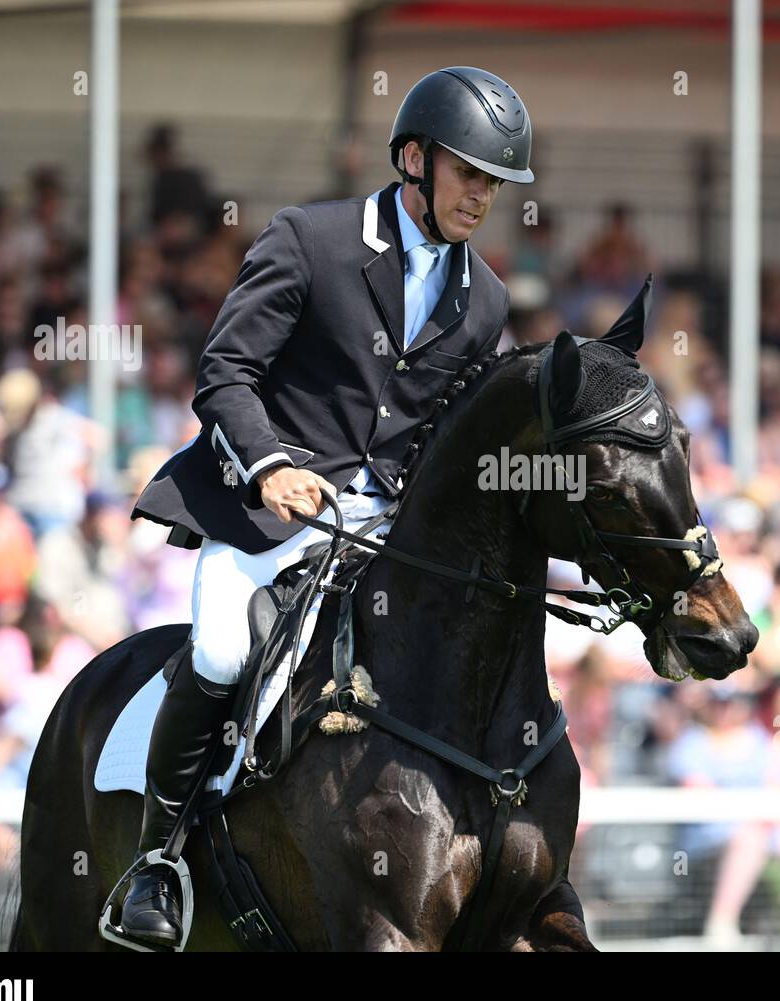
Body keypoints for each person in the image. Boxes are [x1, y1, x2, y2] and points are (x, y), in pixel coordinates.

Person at [118, 67, 534, 946]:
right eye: (471, 173)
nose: (483, 196)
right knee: (228, 651)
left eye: (496, 182)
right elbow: (226, 374)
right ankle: (156, 860)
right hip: (269, 510)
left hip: (381, 528)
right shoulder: (313, 238)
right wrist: (269, 467)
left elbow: (444, 440)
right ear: (415, 160)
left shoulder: (486, 298)